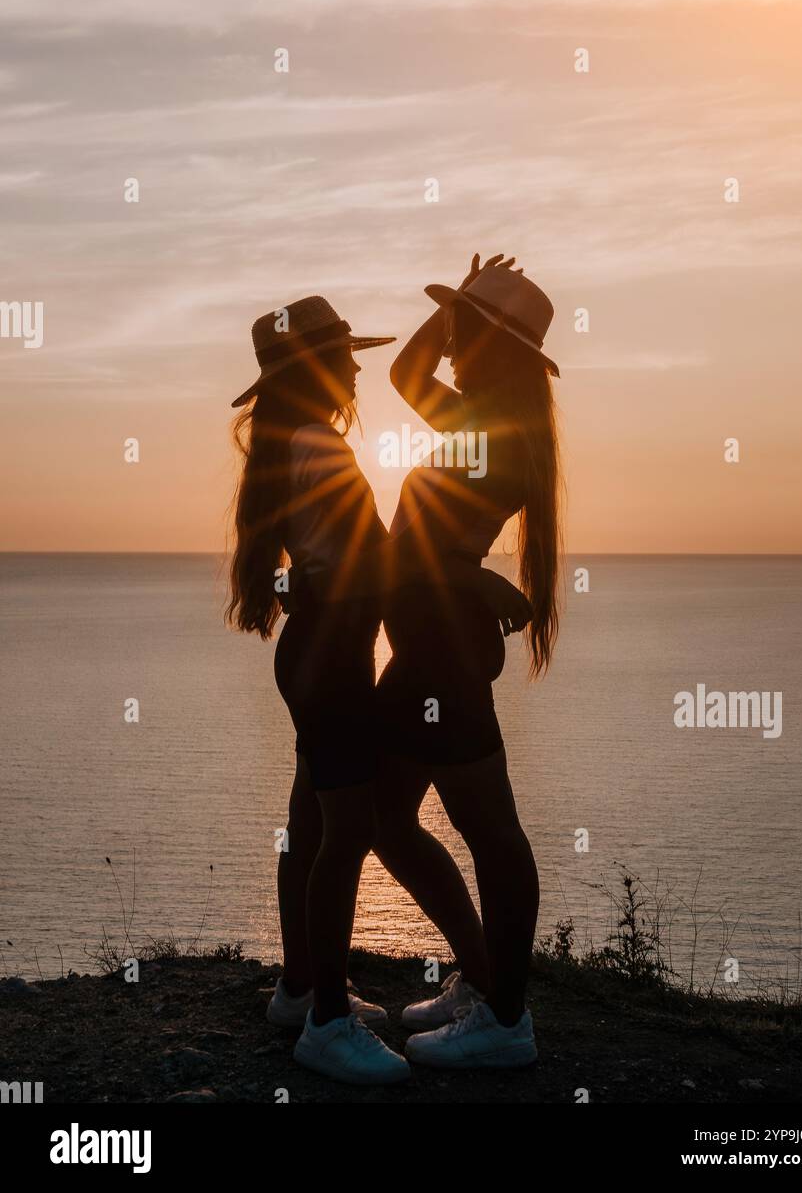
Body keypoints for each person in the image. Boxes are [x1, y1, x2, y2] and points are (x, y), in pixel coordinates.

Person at [226, 294, 529, 1084]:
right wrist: (475, 579)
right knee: (346, 835)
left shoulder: (289, 442)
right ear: (315, 368)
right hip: (333, 660)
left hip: (318, 654)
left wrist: (460, 576)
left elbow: (333, 560)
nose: (355, 367)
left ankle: (300, 989)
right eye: (343, 355)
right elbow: (369, 565)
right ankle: (325, 1025)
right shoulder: (319, 448)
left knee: (309, 822)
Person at [372, 252, 562, 1069]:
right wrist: (455, 305)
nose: (448, 351)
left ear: (494, 346)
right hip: (430, 650)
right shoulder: (481, 422)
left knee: (485, 831)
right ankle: (488, 985)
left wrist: (467, 577)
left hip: (439, 660)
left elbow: (428, 552)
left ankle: (506, 1015)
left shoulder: (493, 439)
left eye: (463, 334)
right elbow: (407, 371)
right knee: (419, 823)